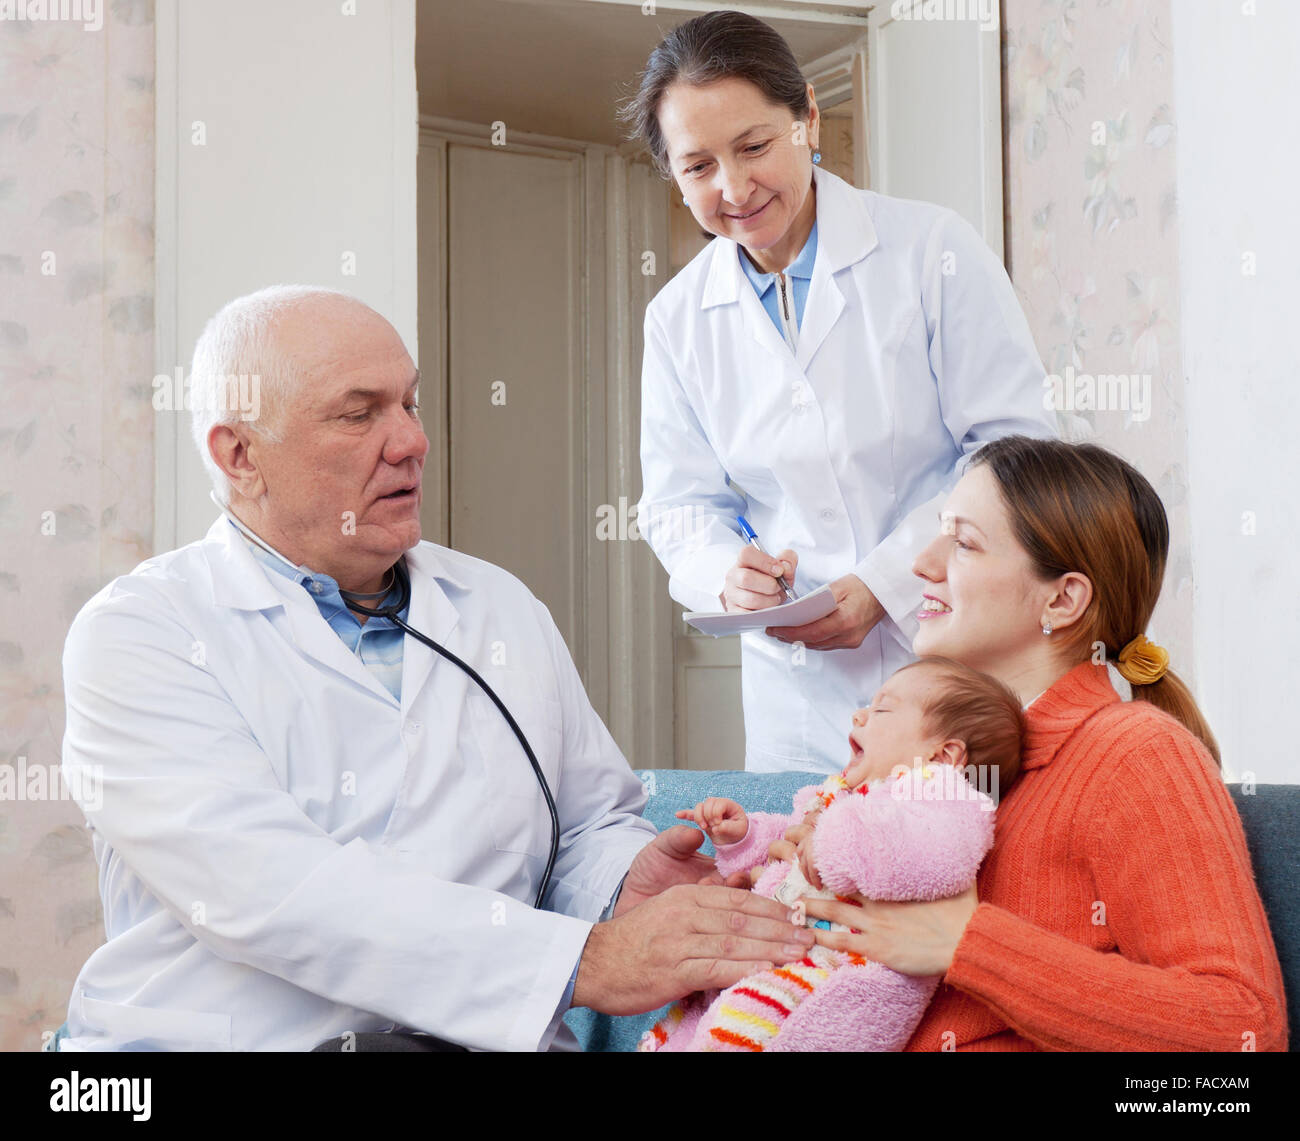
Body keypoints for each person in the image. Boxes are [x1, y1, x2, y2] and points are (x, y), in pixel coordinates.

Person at [56, 285, 814, 1053]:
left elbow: (584, 822)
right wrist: (582, 961)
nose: (411, 441)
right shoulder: (140, 633)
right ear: (240, 455)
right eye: (359, 413)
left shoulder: (495, 605)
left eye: (410, 404)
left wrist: (623, 884)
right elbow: (271, 891)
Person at [624, 10, 1057, 773]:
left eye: (755, 146)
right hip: (797, 690)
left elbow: (1012, 451)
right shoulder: (676, 320)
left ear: (808, 120)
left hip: (958, 648)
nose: (734, 187)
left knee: (969, 864)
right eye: (698, 166)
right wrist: (730, 579)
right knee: (812, 871)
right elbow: (678, 506)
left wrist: (882, 584)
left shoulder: (931, 250)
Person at [775, 434, 1289, 1050]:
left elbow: (1243, 1029)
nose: (923, 564)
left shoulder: (1138, 753)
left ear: (1063, 598)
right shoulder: (935, 760)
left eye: (963, 543)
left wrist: (967, 943)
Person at [642, 657, 1022, 1051]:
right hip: (781, 954)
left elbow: (915, 854)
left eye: (882, 709)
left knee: (737, 1031)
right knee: (687, 1021)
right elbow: (787, 848)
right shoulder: (835, 794)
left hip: (840, 982)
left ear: (943, 757)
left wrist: (827, 840)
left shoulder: (947, 802)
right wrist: (744, 837)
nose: (859, 716)